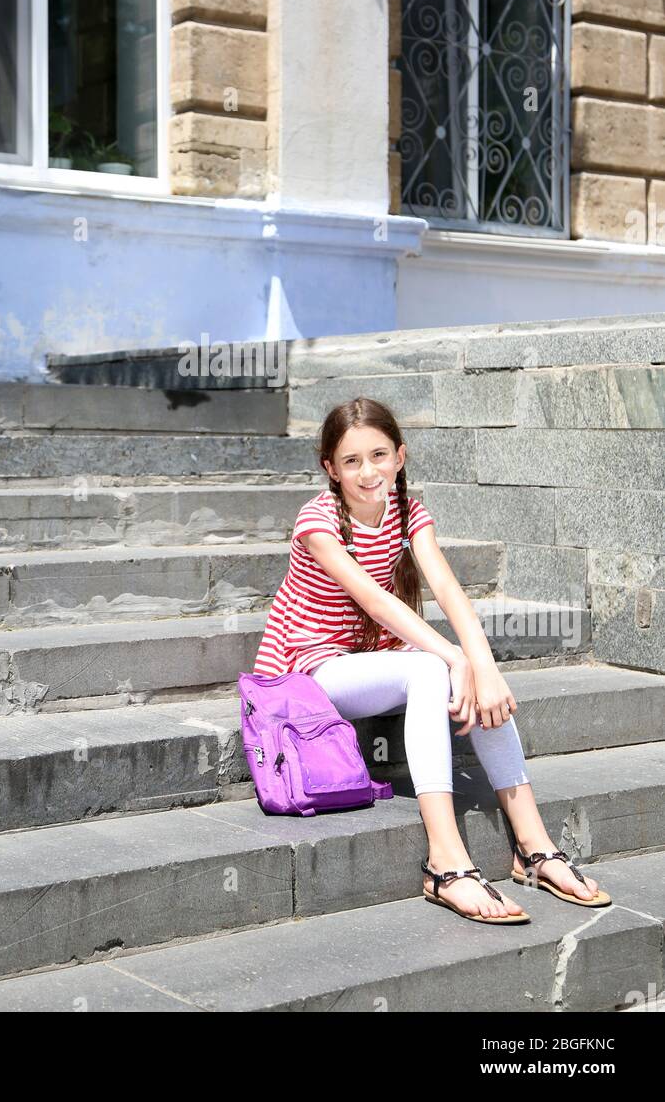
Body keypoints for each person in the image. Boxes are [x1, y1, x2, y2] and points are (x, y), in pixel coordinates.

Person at [253, 396, 611, 924]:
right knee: (432, 666)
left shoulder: (408, 513)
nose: (368, 471)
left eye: (379, 455)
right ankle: (445, 862)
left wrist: (482, 667)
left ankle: (533, 845)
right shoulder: (318, 520)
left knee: (458, 670)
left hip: (375, 659)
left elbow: (445, 586)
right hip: (309, 669)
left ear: (400, 456)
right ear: (330, 468)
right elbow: (377, 601)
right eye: (351, 461)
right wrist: (454, 658)